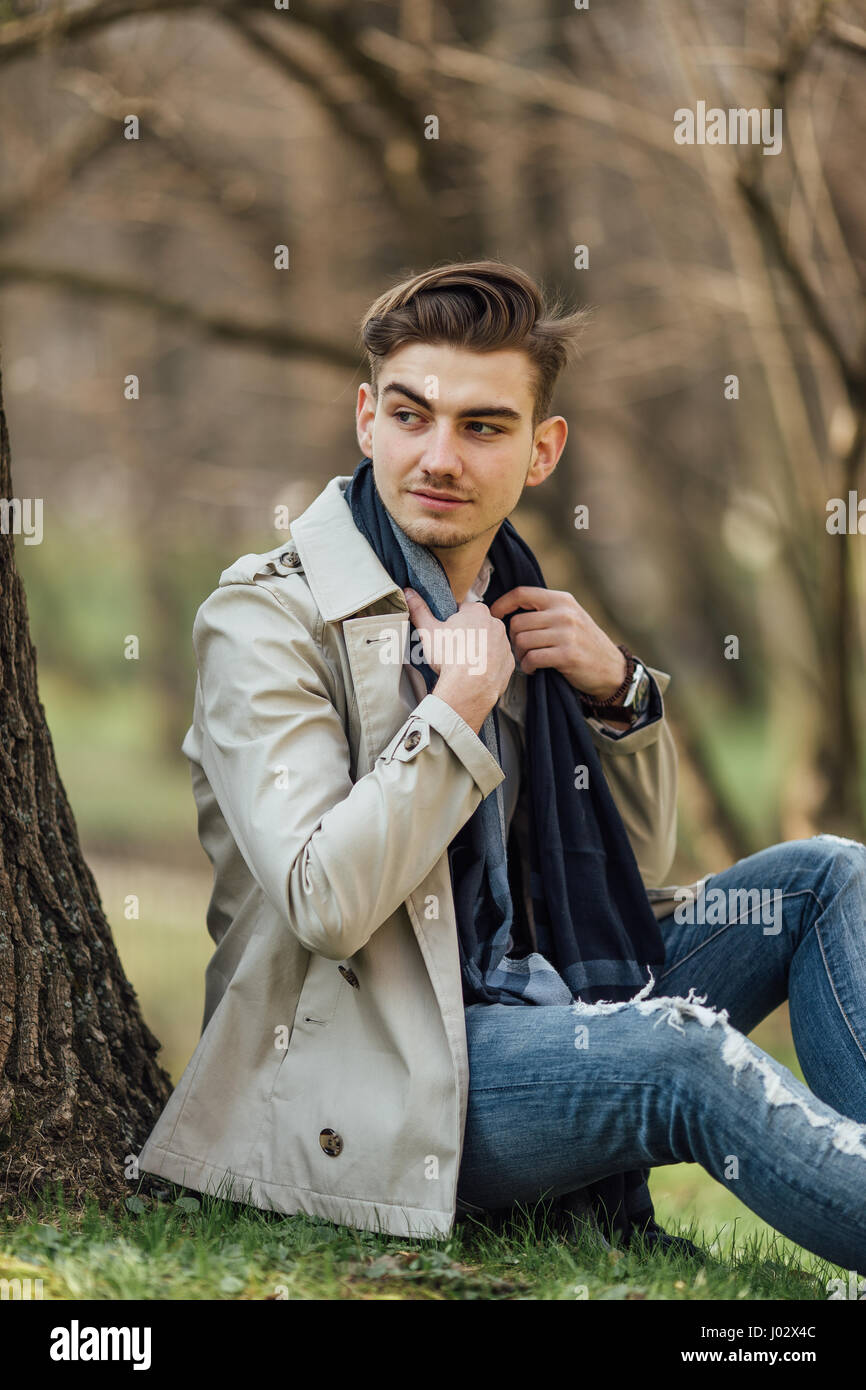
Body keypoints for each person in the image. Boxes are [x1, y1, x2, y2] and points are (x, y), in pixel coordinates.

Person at [137, 259, 866, 1272]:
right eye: (410, 415)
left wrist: (617, 697)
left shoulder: (513, 610)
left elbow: (621, 875)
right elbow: (322, 900)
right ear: (365, 418)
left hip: (536, 997)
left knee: (827, 876)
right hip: (380, 1069)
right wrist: (453, 711)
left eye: (481, 426)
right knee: (678, 1053)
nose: (437, 455)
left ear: (540, 449)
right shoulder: (268, 617)